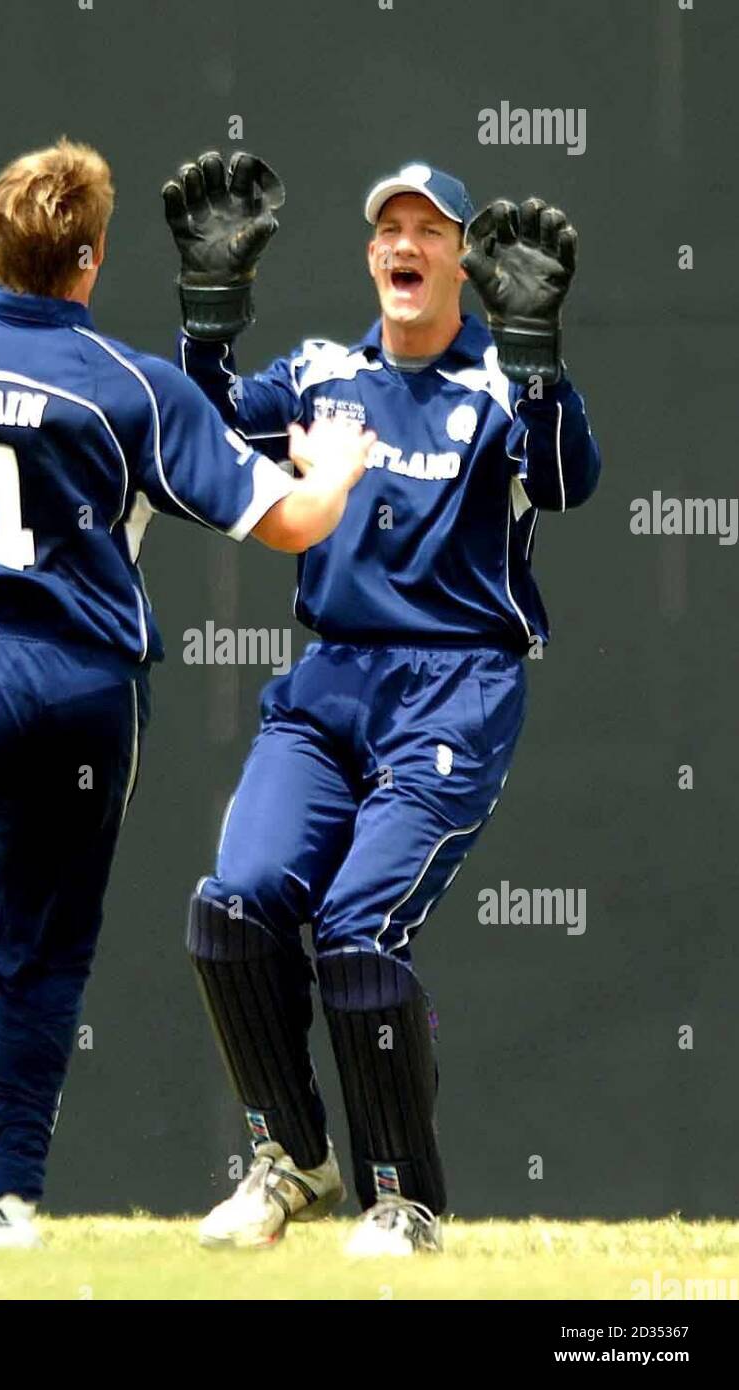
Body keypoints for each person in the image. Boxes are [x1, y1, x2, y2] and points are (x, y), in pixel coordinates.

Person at [0, 137, 372, 1249]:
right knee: (48, 952)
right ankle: (4, 1199)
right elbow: (288, 520)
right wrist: (335, 468)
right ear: (88, 262)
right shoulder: (134, 385)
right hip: (93, 695)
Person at [162, 152, 601, 1255]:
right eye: (387, 230)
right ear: (368, 255)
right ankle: (287, 1161)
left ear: (463, 260)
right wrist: (210, 314)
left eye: (428, 230)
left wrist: (539, 354)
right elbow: (202, 429)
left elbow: (563, 478)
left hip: (453, 690)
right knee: (232, 907)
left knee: (357, 929)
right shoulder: (318, 371)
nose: (404, 245)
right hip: (329, 685)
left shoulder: (499, 385)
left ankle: (401, 1197)